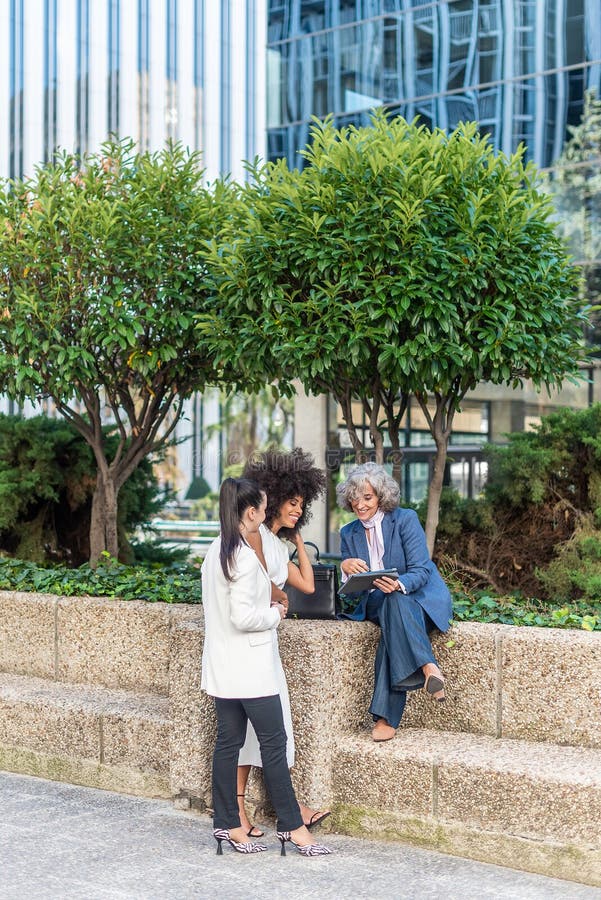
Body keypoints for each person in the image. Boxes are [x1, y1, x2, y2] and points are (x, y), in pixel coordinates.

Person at [201, 477, 331, 856]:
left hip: (224, 669)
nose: (264, 511)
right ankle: (292, 827)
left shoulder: (216, 551)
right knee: (275, 745)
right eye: (260, 506)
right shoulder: (242, 556)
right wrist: (274, 613)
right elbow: (243, 616)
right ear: (251, 512)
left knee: (228, 745)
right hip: (251, 670)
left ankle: (226, 824)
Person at [236, 449, 330, 835]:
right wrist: (276, 594)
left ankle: (290, 807)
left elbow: (307, 585)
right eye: (293, 503)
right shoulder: (254, 535)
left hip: (267, 644)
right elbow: (257, 576)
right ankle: (241, 811)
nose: (297, 509)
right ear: (274, 498)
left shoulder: (277, 544)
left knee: (275, 731)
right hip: (250, 641)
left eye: (302, 505)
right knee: (244, 733)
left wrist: (299, 537)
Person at [337, 462, 452, 743]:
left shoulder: (405, 519)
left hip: (417, 601)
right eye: (355, 498)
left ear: (381, 497)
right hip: (377, 603)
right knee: (388, 604)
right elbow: (351, 594)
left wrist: (399, 584)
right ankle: (428, 668)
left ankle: (385, 719)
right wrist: (345, 569)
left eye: (368, 497)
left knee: (394, 605)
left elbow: (422, 570)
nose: (360, 504)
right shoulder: (348, 533)